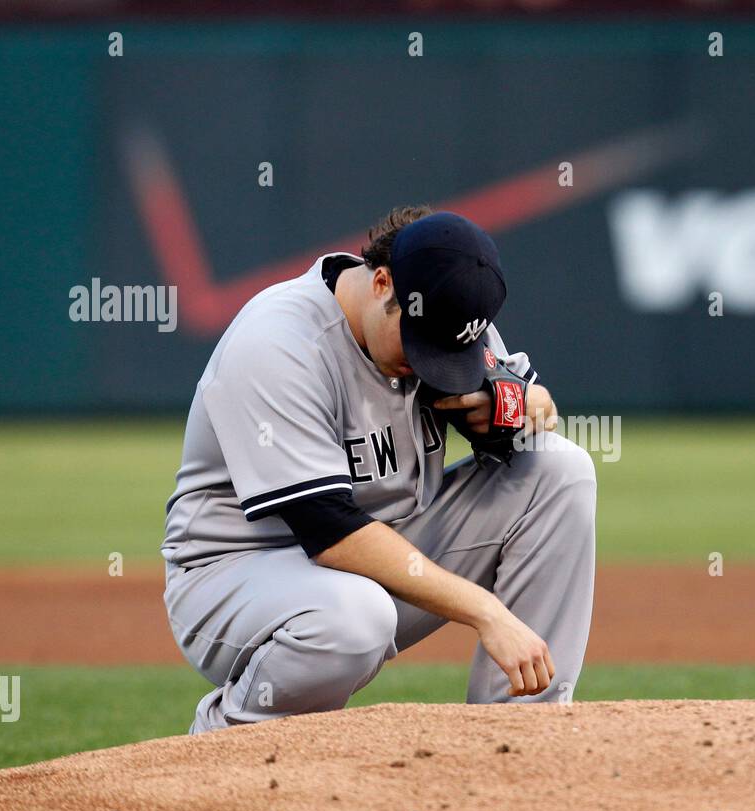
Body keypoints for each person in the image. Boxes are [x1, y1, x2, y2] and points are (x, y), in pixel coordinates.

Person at [161, 207, 596, 733]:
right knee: (355, 618)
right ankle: (225, 740)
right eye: (419, 346)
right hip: (237, 578)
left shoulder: (444, 311)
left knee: (559, 469)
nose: (427, 363)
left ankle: (517, 741)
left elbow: (530, 412)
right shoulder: (277, 342)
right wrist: (486, 610)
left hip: (379, 563)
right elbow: (329, 530)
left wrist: (516, 411)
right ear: (382, 283)